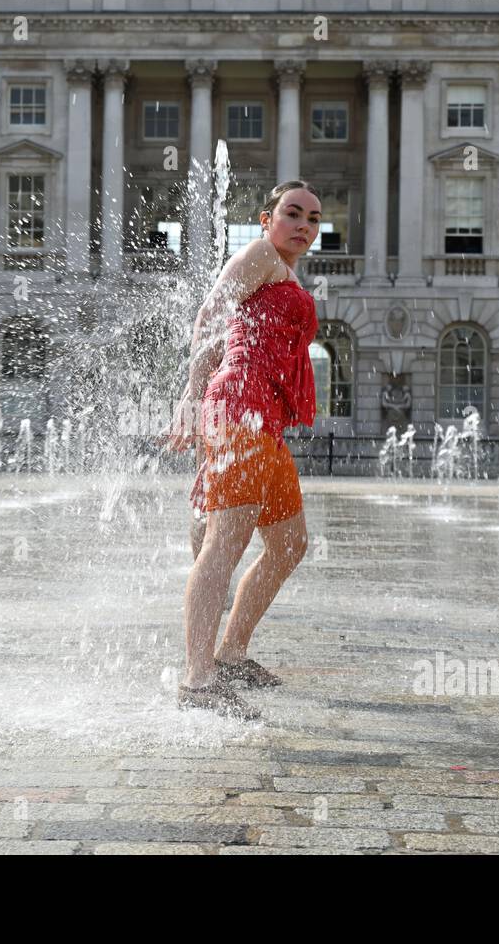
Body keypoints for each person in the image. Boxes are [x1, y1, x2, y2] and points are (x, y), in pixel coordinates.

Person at [166, 180, 321, 720]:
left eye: (313, 219)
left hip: (262, 422)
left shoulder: (285, 269)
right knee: (226, 541)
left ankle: (231, 654)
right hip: (238, 405)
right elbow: (210, 314)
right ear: (265, 218)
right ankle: (198, 679)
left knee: (289, 544)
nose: (304, 225)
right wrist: (191, 393)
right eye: (292, 214)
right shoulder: (259, 254)